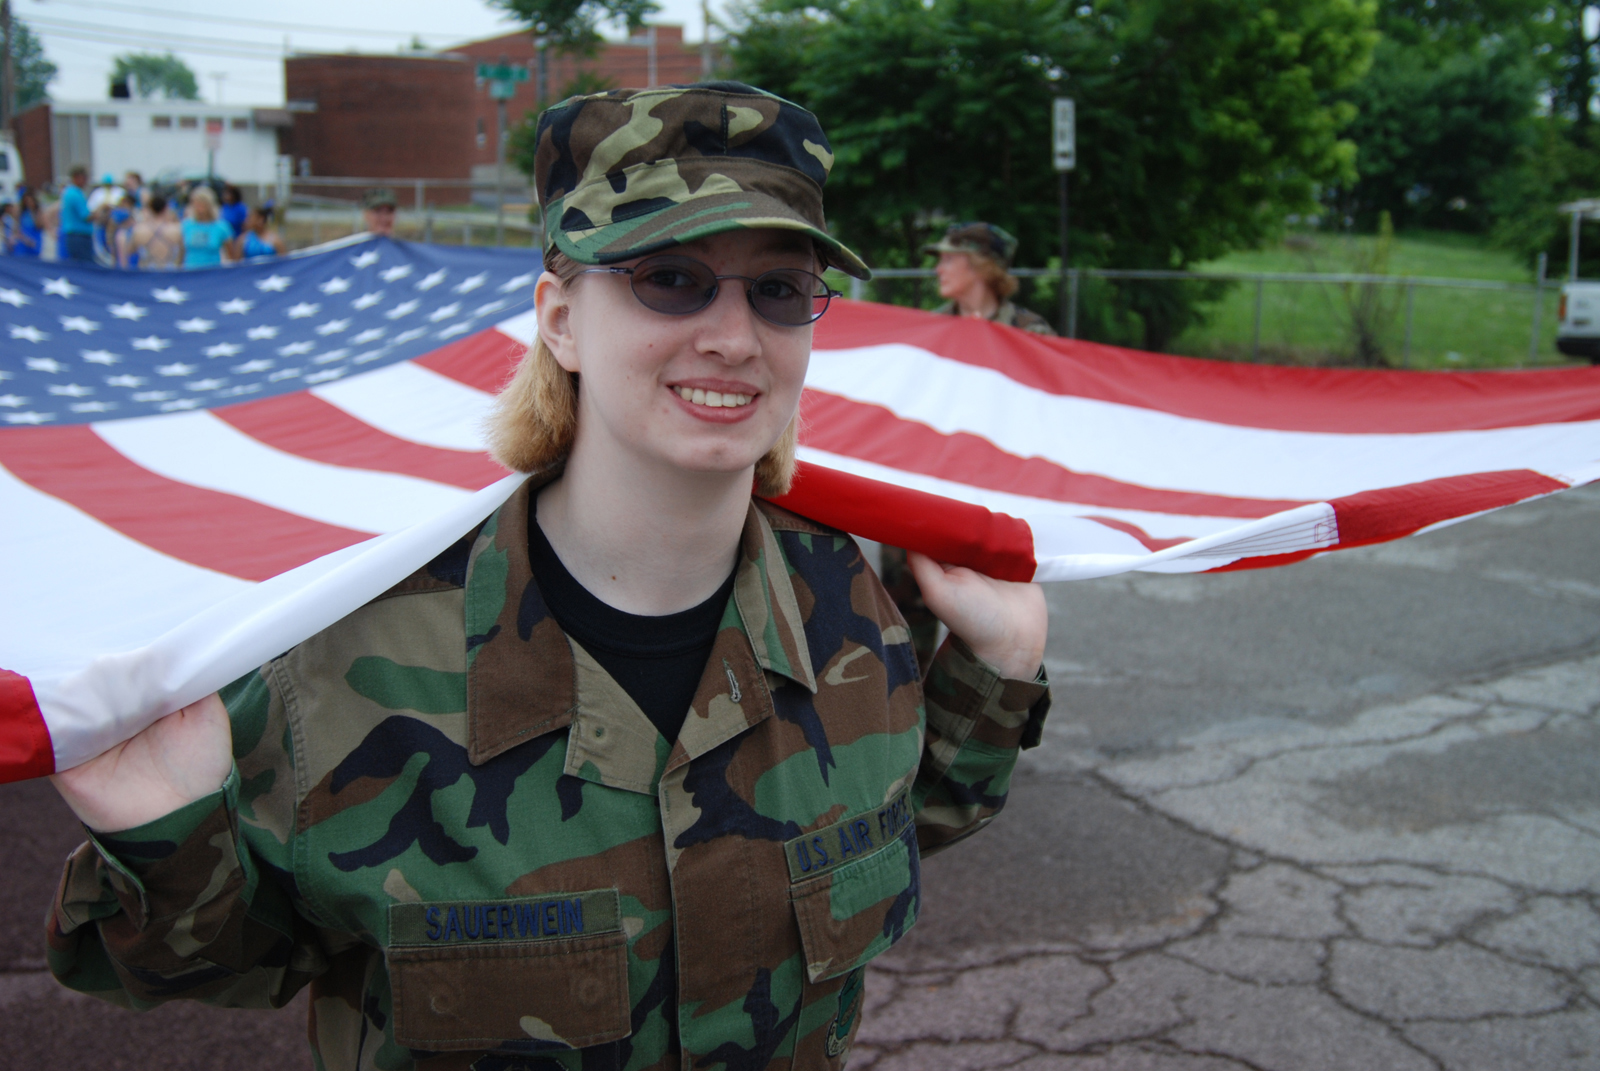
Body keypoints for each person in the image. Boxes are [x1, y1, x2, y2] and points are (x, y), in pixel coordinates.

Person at [45, 82, 1051, 1071]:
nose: (734, 337)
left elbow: (891, 823)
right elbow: (211, 967)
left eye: (779, 290)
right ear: (561, 320)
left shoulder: (847, 605)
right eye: (671, 277)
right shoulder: (342, 662)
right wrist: (168, 835)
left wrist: (994, 670)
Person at [925, 221, 1057, 335]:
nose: (938, 269)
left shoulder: (1030, 331)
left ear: (981, 266)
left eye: (948, 260)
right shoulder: (932, 327)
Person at [119, 192, 183, 269]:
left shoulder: (139, 230)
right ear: (165, 209)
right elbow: (182, 255)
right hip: (170, 273)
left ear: (150, 209)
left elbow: (129, 251)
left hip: (147, 274)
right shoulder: (176, 229)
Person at [180, 185, 234, 268]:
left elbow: (231, 257)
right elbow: (181, 254)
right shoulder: (186, 226)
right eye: (196, 204)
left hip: (212, 274)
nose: (199, 208)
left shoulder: (222, 227)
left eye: (202, 204)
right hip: (190, 274)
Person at [58, 165, 95, 262]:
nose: (86, 181)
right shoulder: (76, 194)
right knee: (85, 266)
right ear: (77, 177)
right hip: (79, 237)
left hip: (72, 236)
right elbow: (86, 216)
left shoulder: (68, 192)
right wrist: (101, 210)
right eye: (84, 178)